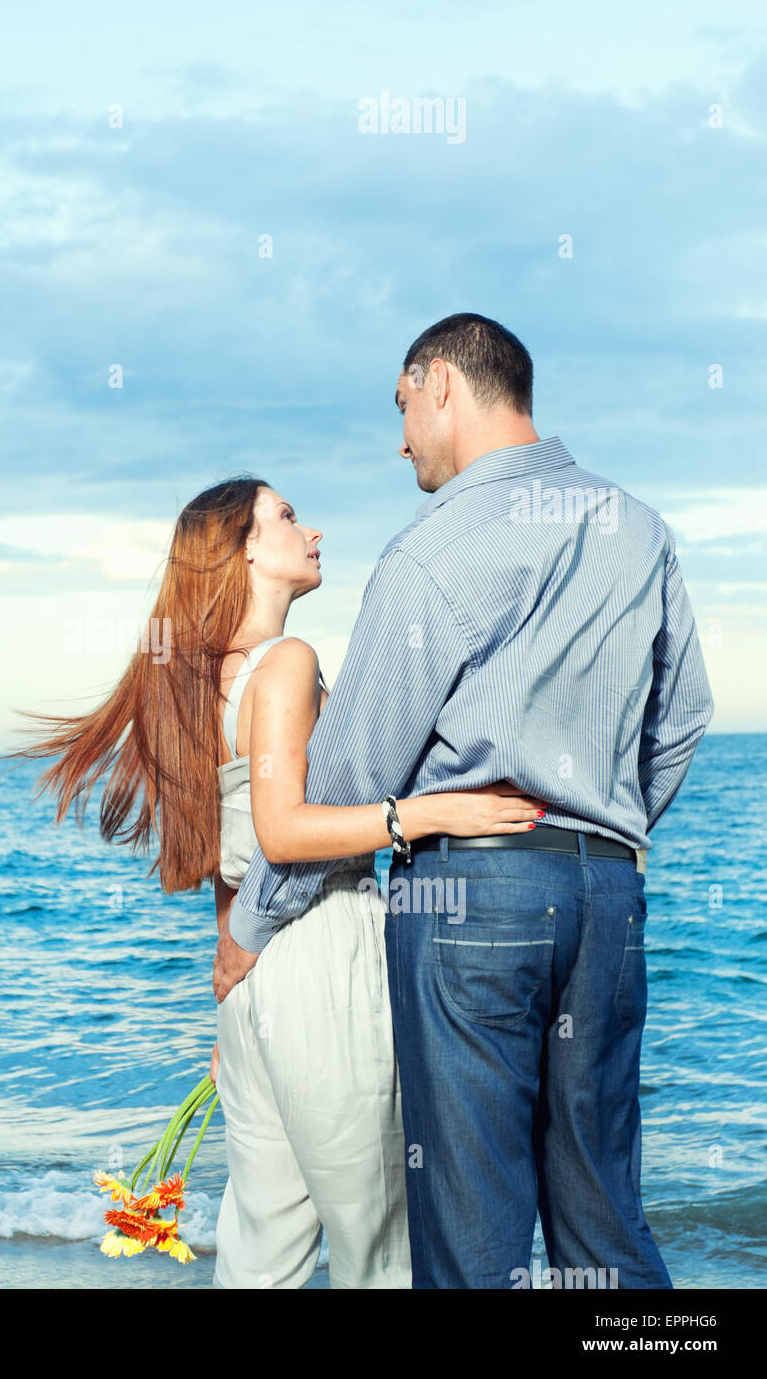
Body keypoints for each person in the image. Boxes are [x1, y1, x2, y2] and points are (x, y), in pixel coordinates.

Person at [217, 313, 714, 1289]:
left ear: (440, 383)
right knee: (605, 1220)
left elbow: (354, 771)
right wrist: (605, 829)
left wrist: (254, 921)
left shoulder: (432, 550)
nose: (401, 441)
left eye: (403, 407)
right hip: (608, 895)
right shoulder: (640, 527)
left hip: (470, 899)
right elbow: (683, 718)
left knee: (471, 1236)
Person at [16, 474, 543, 1288]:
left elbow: (229, 856)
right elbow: (283, 832)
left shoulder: (200, 682)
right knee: (380, 1242)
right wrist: (434, 813)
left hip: (254, 980)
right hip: (325, 954)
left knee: (263, 1249)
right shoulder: (287, 662)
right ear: (246, 550)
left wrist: (231, 999)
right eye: (290, 517)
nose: (314, 532)